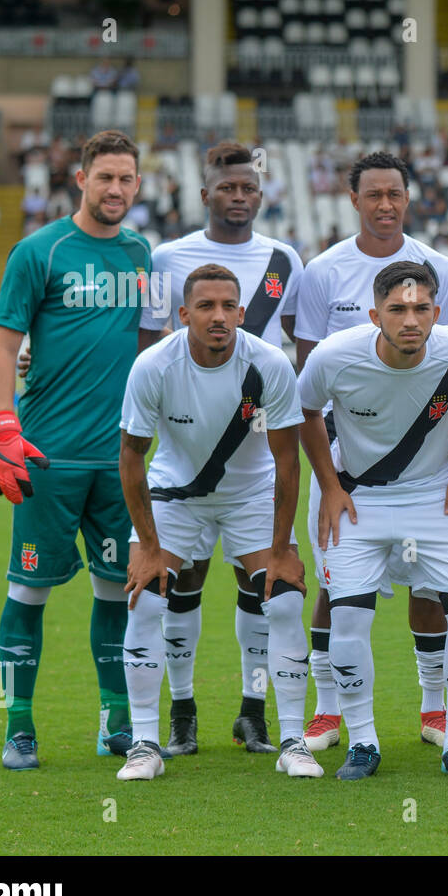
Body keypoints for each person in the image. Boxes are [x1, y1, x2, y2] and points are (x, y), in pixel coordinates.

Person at [0, 130, 151, 770]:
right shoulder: (39, 252)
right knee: (29, 591)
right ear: (80, 179)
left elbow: (153, 345)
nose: (115, 189)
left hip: (122, 462)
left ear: (138, 185)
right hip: (47, 457)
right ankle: (19, 727)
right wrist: (4, 430)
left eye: (126, 179)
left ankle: (115, 720)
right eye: (104, 177)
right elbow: (3, 346)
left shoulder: (142, 255)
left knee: (118, 594)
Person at [117, 264, 318, 781]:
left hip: (250, 494)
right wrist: (148, 544)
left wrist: (279, 549)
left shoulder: (270, 363)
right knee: (146, 598)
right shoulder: (153, 366)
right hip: (176, 493)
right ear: (184, 314)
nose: (219, 316)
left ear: (242, 313)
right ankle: (150, 739)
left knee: (286, 598)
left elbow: (287, 462)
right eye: (205, 306)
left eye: (229, 306)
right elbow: (132, 457)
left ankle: (291, 738)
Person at [136, 141, 304, 756]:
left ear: (261, 194)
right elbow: (146, 346)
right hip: (184, 454)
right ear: (204, 192)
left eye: (249, 188)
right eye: (227, 188)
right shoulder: (168, 256)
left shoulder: (283, 259)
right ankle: (182, 713)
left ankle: (252, 712)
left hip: (255, 451)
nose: (239, 197)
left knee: (260, 590)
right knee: (179, 587)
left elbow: (302, 346)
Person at [294, 150, 448, 753]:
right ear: (354, 200)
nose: (386, 205)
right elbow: (311, 378)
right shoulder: (321, 272)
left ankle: (436, 708)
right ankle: (328, 709)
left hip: (427, 462)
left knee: (431, 588)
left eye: (395, 194)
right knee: (334, 586)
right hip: (347, 463)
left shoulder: (440, 265)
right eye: (374, 195)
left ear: (408, 197)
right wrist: (331, 478)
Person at [297, 261, 448, 781]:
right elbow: (308, 414)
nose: (411, 320)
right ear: (374, 313)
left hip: (435, 496)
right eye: (398, 309)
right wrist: (331, 486)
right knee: (349, 616)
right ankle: (362, 742)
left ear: (437, 312)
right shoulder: (333, 358)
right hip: (359, 499)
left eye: (421, 309)